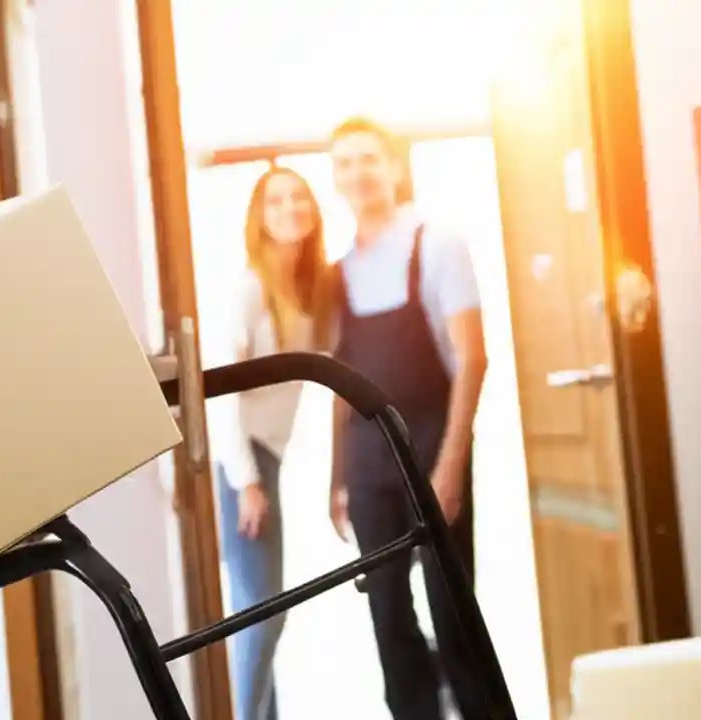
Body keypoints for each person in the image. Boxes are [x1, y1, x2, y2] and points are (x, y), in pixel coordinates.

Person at [326, 117, 487, 720]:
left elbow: (473, 359)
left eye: (369, 158)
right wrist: (336, 477)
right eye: (344, 163)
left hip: (430, 443)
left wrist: (450, 467)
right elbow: (335, 387)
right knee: (386, 611)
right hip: (368, 462)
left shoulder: (438, 242)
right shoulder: (337, 272)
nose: (359, 172)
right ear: (336, 179)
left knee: (452, 608)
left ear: (394, 167)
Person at [215, 165, 330, 720]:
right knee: (263, 613)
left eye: (299, 198)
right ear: (259, 219)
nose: (290, 208)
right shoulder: (251, 288)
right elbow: (220, 394)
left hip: (270, 457)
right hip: (244, 463)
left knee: (262, 607)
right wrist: (247, 483)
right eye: (277, 201)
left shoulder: (306, 291)